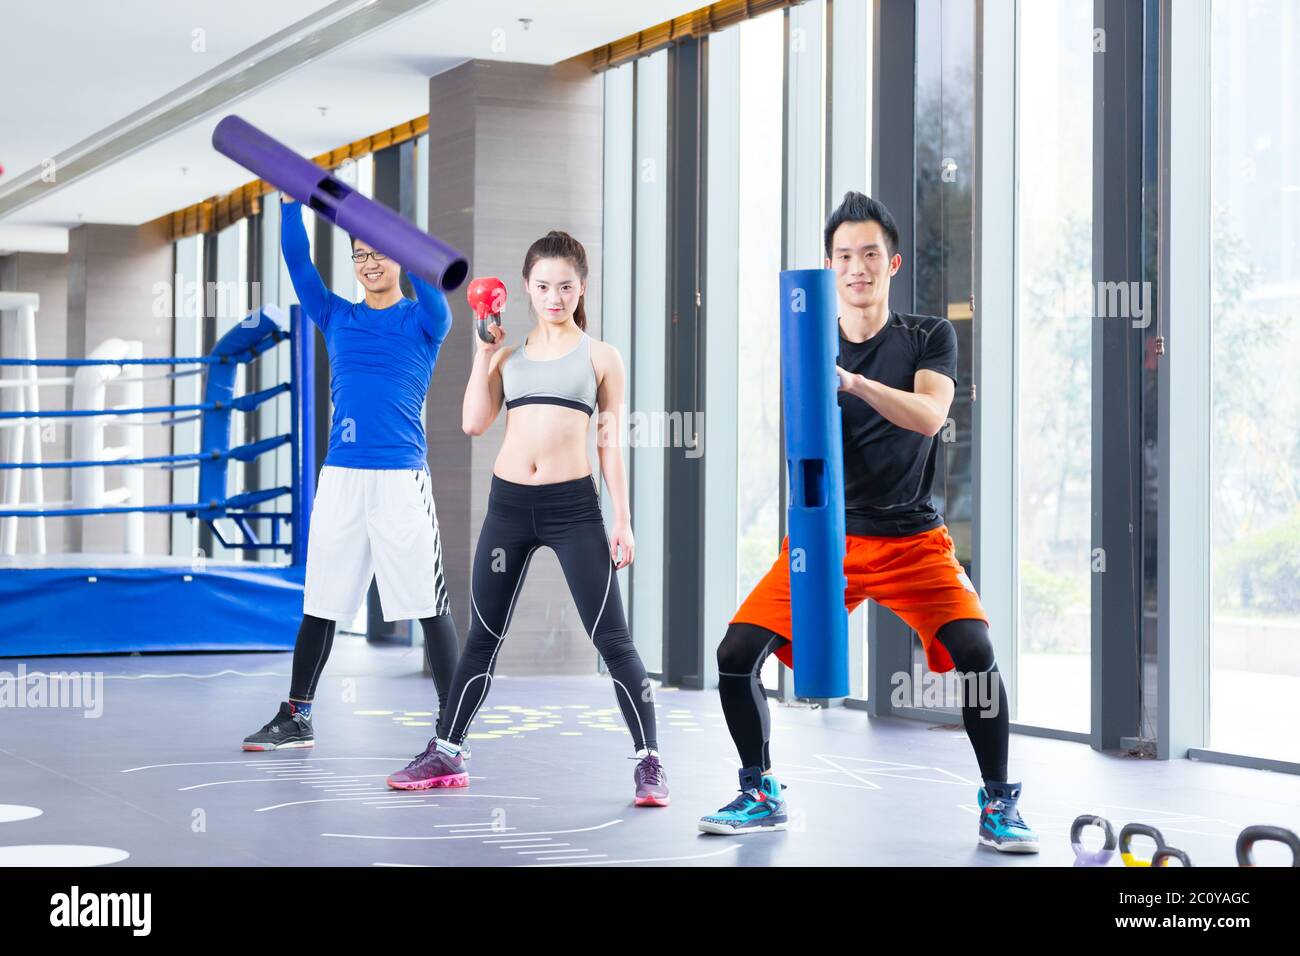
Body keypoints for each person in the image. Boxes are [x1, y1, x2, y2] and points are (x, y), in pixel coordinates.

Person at [697, 192, 1038, 852]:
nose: (858, 267)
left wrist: (852, 385)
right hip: (827, 543)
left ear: (893, 263)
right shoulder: (808, 338)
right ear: (829, 266)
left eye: (871, 255)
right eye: (845, 256)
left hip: (913, 539)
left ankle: (998, 803)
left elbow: (930, 415)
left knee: (977, 654)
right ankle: (759, 790)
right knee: (735, 657)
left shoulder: (928, 336)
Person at [383, 231, 668, 807]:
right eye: (543, 286)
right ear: (527, 290)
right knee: (481, 639)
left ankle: (650, 762)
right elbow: (471, 422)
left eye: (565, 286)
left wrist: (623, 519)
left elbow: (610, 445)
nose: (554, 296)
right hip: (509, 507)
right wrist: (485, 354)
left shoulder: (601, 356)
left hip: (573, 508)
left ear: (581, 287)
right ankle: (447, 752)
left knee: (611, 637)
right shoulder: (507, 356)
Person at [241, 195, 460, 751]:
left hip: (400, 482)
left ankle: (453, 728)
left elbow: (433, 283)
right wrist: (292, 205)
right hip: (340, 479)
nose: (369, 263)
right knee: (321, 599)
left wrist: (400, 238)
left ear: (399, 258)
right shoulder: (335, 315)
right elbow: (298, 263)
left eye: (379, 253)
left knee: (427, 606)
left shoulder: (424, 320)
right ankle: (297, 715)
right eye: (360, 254)